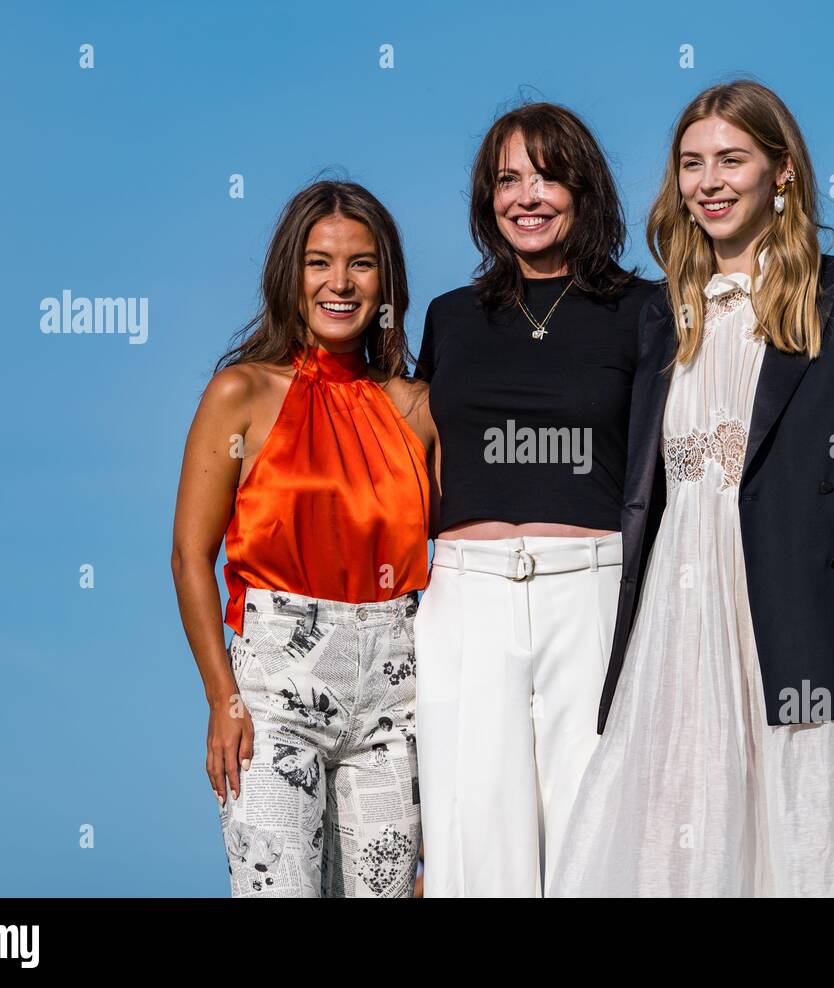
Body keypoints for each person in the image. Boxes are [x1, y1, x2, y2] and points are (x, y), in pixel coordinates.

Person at [552, 80, 834, 897]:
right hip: (679, 631)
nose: (708, 182)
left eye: (731, 160)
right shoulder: (660, 316)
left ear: (780, 172)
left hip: (819, 623)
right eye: (691, 163)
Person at [412, 102, 659, 896]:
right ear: (487, 198)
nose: (528, 196)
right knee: (470, 830)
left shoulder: (645, 309)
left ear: (585, 190)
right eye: (507, 179)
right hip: (465, 592)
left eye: (548, 176)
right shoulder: (451, 316)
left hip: (591, 587)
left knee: (599, 826)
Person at [171, 181, 435, 897]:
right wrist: (221, 700)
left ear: (388, 281)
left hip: (397, 692)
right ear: (290, 274)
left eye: (362, 264)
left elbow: (468, 551)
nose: (340, 283)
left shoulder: (418, 408)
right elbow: (190, 557)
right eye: (319, 263)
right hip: (274, 690)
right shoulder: (242, 393)